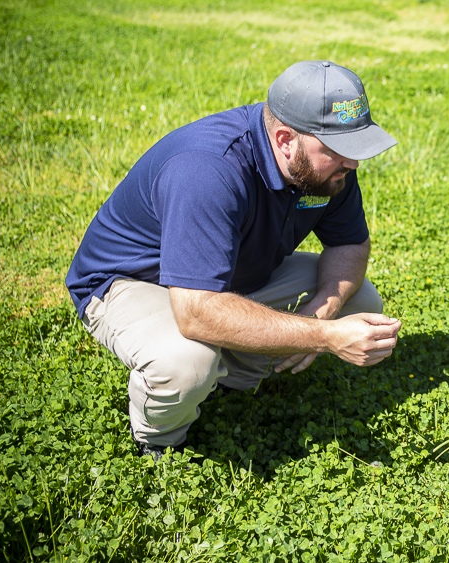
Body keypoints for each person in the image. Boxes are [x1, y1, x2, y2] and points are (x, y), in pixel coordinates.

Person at [67, 61, 402, 459]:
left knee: (360, 300)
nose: (354, 163)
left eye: (356, 147)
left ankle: (231, 380)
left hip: (225, 275)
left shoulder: (328, 168)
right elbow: (196, 311)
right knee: (187, 361)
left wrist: (323, 310)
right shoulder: (207, 170)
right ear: (285, 140)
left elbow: (349, 245)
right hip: (134, 280)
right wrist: (323, 336)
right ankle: (158, 444)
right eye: (341, 150)